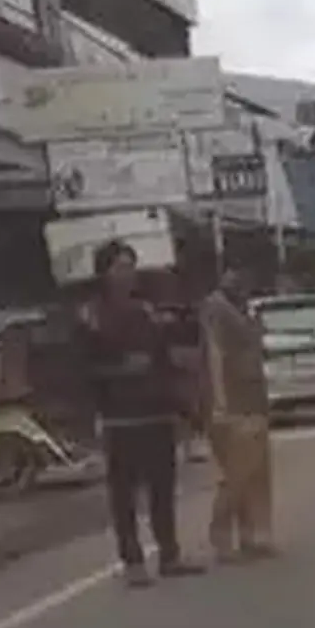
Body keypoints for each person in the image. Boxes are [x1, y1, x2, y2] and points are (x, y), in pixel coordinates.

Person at [78, 239, 205, 588]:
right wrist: (122, 369)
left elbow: (164, 362)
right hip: (120, 419)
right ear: (104, 273)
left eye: (130, 266)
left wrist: (186, 407)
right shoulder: (91, 316)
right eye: (119, 266)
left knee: (163, 490)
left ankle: (170, 554)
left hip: (157, 414)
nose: (126, 273)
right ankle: (132, 560)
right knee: (124, 495)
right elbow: (81, 370)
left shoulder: (147, 311)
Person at [199, 265, 277, 563]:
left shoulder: (243, 307)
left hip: (253, 397)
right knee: (237, 473)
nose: (241, 281)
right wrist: (219, 401)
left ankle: (250, 535)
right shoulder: (216, 308)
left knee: (257, 472)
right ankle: (220, 534)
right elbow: (214, 354)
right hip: (231, 402)